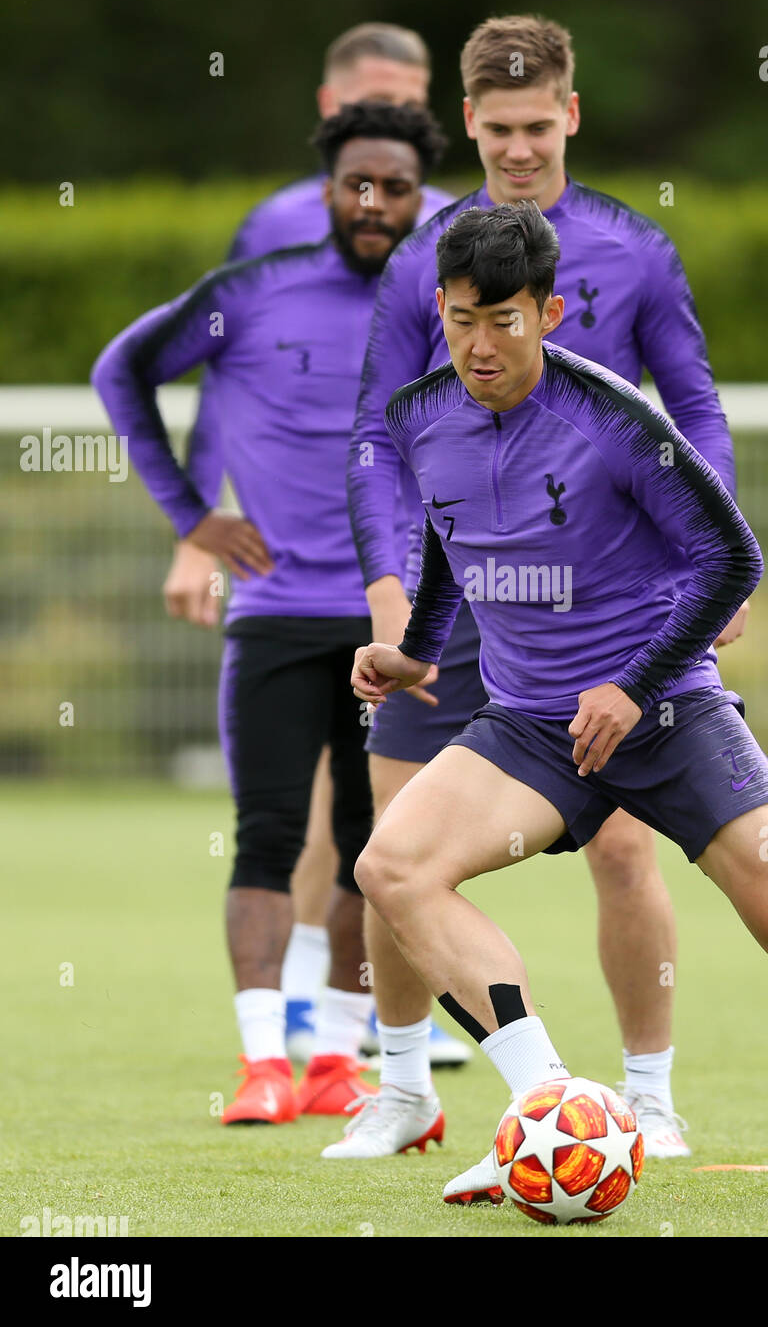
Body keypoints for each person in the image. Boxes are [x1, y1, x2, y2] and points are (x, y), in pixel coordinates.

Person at [351, 201, 768, 1207]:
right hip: (529, 724)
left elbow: (729, 557)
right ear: (438, 308)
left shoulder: (615, 422)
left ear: (551, 311)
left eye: (504, 321)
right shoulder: (416, 420)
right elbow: (446, 544)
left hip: (667, 712)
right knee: (392, 866)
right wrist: (412, 652)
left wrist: (630, 684)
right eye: (461, 320)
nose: (480, 345)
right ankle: (549, 1105)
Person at [334, 14, 745, 1173]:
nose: (517, 149)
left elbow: (694, 409)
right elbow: (376, 431)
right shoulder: (427, 257)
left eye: (537, 126)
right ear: (466, 121)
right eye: (496, 129)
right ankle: (404, 1088)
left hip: (603, 605)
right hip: (455, 594)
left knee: (622, 852)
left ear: (570, 114)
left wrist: (704, 560)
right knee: (398, 837)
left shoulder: (634, 251)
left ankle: (646, 1100)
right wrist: (387, 593)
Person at [92, 102, 453, 1124]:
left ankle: (339, 1058)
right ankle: (262, 1063)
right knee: (265, 833)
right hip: (275, 615)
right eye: (357, 183)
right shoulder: (248, 296)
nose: (374, 202)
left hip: (394, 622)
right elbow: (121, 371)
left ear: (419, 197)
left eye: (395, 187)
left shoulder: (439, 304)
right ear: (327, 191)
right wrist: (190, 517)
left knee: (368, 840)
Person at [158, 22, 468, 1068]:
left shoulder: (448, 234)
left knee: (399, 794)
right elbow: (222, 376)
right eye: (369, 101)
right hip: (293, 575)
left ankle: (389, 1000)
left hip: (413, 572)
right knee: (297, 802)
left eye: (413, 100)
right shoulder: (277, 231)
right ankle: (298, 995)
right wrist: (197, 533)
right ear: (330, 111)